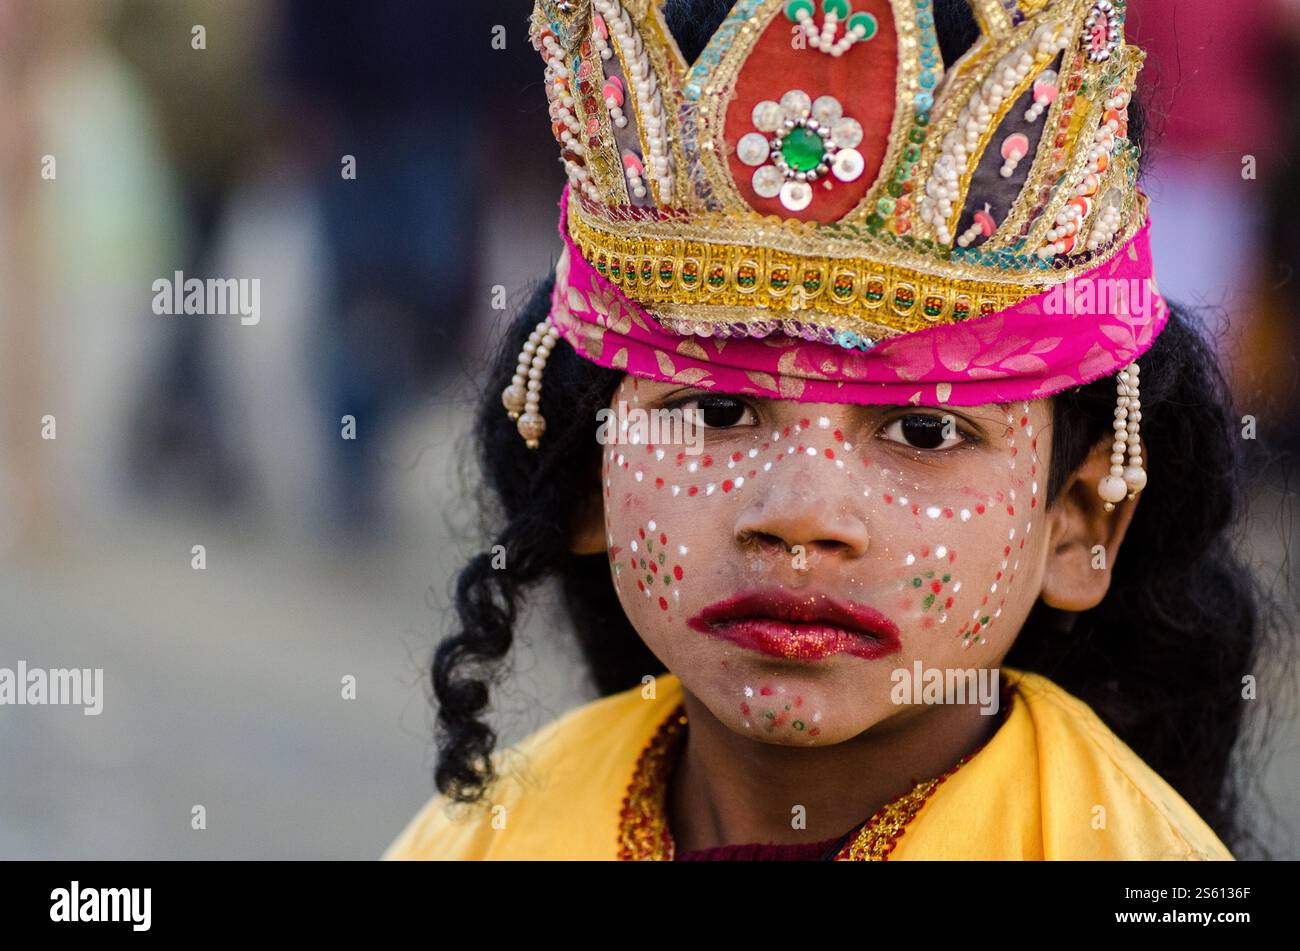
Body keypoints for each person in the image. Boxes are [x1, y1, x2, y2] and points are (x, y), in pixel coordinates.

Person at [385, 0, 1272, 860]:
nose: (801, 513)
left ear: (1079, 522)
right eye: (715, 411)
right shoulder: (479, 842)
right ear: (589, 473)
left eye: (924, 432)